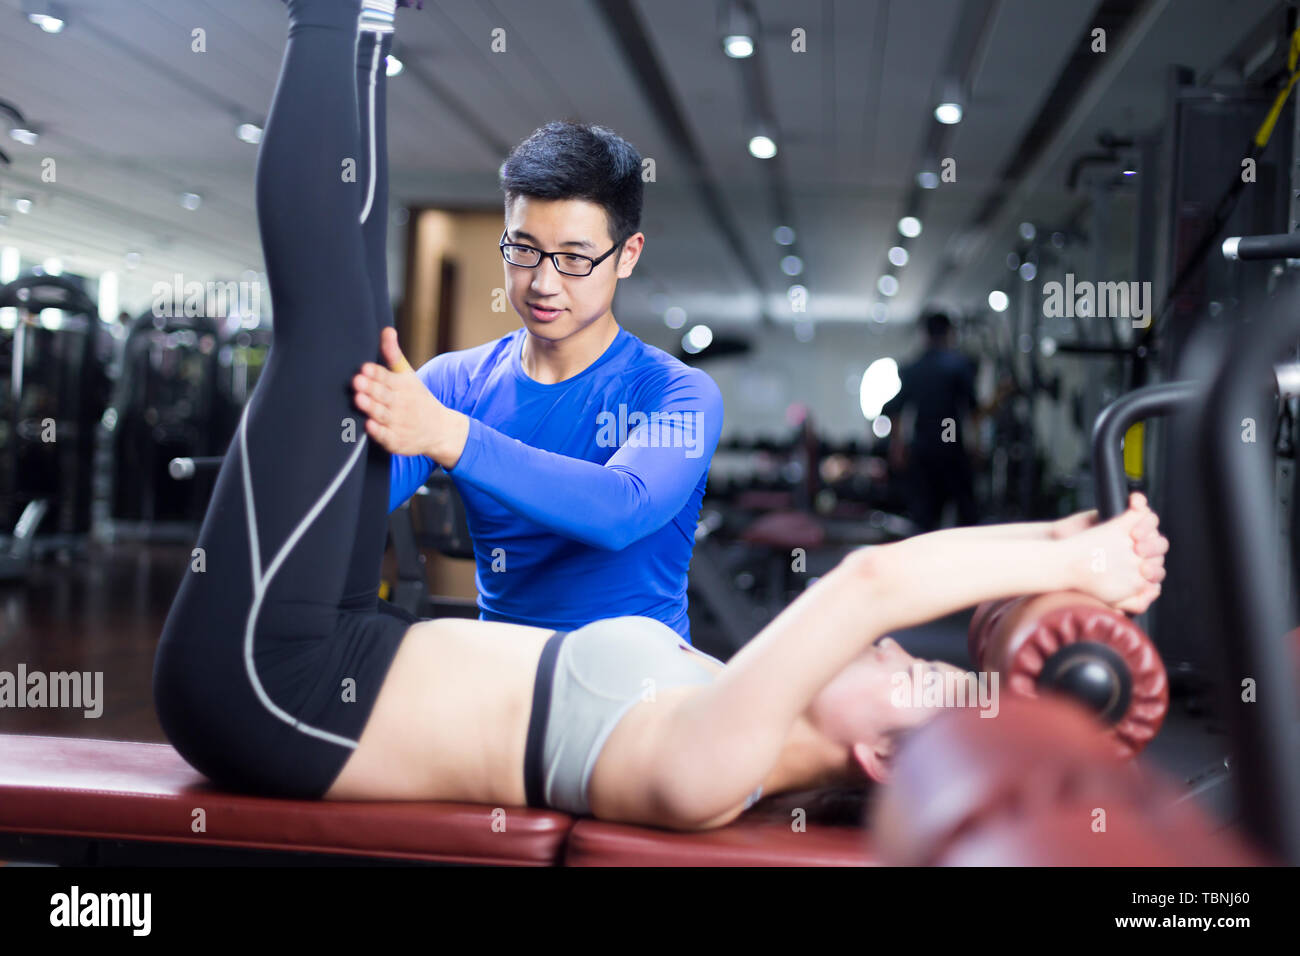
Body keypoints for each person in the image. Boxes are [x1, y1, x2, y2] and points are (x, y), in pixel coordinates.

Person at [153, 0, 1169, 832]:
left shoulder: (713, 758)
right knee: (341, 343)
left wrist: (1071, 571)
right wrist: (1063, 544)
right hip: (335, 660)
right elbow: (376, 477)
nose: (540, 281)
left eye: (906, 666)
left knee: (329, 329)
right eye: (523, 253)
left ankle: (333, 15)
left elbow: (841, 573)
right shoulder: (711, 692)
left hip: (280, 687)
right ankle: (362, 22)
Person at [363, 120, 721, 643]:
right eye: (524, 249)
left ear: (628, 255)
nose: (542, 283)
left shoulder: (677, 394)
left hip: (639, 685)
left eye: (574, 258)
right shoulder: (453, 383)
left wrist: (452, 436)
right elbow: (349, 508)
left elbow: (622, 510)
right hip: (510, 678)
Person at [883, 311, 980, 531]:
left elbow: (894, 409)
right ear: (949, 333)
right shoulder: (959, 366)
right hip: (951, 448)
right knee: (967, 517)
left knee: (924, 519)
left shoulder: (913, 368)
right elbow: (971, 411)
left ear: (925, 334)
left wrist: (897, 446)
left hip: (922, 450)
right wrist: (976, 445)